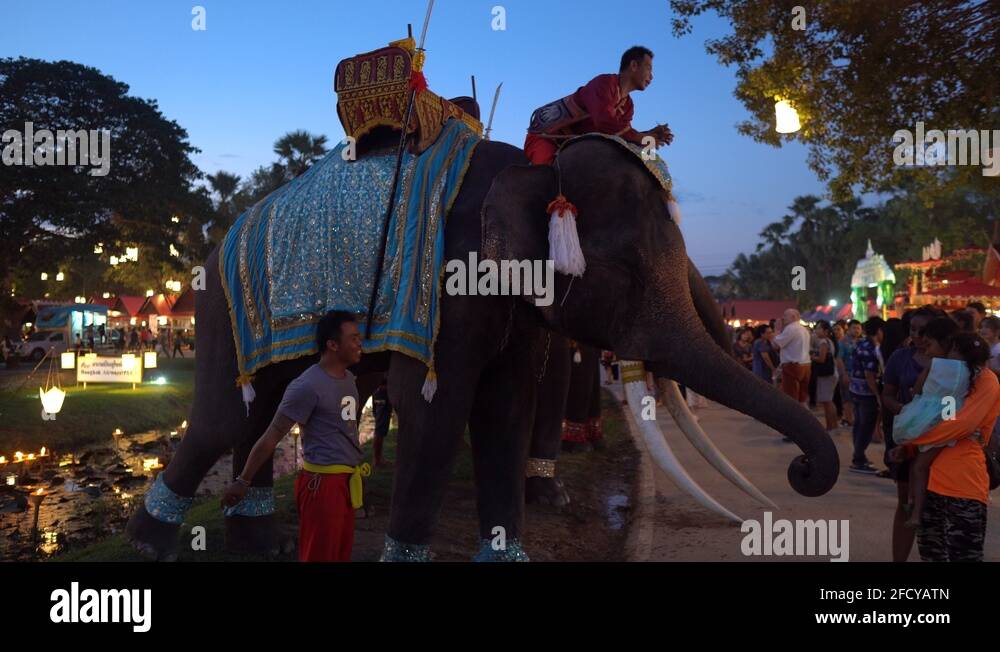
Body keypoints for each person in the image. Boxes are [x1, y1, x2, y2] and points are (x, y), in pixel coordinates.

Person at [222, 311, 366, 562]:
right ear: (332, 345)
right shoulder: (306, 386)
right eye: (353, 338)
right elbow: (271, 436)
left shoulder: (350, 380)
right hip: (322, 487)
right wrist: (243, 481)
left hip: (347, 483)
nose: (359, 343)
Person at [891, 332, 1000, 562]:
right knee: (932, 554)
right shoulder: (950, 382)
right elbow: (939, 418)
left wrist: (913, 439)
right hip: (932, 487)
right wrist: (910, 447)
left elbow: (962, 424)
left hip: (963, 485)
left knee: (963, 556)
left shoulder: (986, 380)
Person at [523, 46, 672, 165]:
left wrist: (650, 134)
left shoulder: (628, 106)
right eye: (648, 68)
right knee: (550, 180)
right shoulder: (604, 83)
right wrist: (641, 136)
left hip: (572, 149)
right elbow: (604, 121)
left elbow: (620, 135)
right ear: (633, 65)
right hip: (546, 137)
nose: (651, 76)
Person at [881, 306, 944, 560]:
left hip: (942, 442)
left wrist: (945, 421)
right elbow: (887, 395)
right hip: (909, 440)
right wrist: (905, 411)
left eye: (924, 331)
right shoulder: (900, 357)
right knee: (906, 504)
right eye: (913, 330)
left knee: (939, 506)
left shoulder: (952, 361)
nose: (917, 336)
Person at [848, 316, 885, 473]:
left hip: (855, 388)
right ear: (878, 331)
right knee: (866, 425)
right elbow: (869, 374)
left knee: (859, 424)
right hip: (866, 393)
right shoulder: (871, 348)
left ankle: (857, 455)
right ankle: (859, 458)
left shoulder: (860, 344)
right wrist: (877, 394)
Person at [773, 309, 811, 408]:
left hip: (793, 366)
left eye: (785, 315)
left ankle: (794, 420)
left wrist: (777, 329)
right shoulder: (803, 329)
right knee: (802, 398)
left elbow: (776, 344)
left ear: (794, 317)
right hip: (805, 365)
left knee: (791, 398)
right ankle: (805, 419)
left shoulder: (791, 328)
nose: (783, 318)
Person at [810, 320, 838, 433]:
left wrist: (811, 357)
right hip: (831, 373)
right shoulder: (829, 341)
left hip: (826, 375)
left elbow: (821, 359)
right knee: (829, 400)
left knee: (827, 401)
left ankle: (831, 426)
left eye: (818, 328)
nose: (816, 330)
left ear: (825, 331)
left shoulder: (823, 342)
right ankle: (833, 425)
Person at [836, 319, 861, 426]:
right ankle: (849, 420)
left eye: (858, 328)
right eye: (854, 328)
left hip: (860, 376)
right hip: (848, 373)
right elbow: (839, 359)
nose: (856, 330)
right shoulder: (842, 342)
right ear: (848, 329)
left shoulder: (862, 341)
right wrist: (844, 374)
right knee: (847, 398)